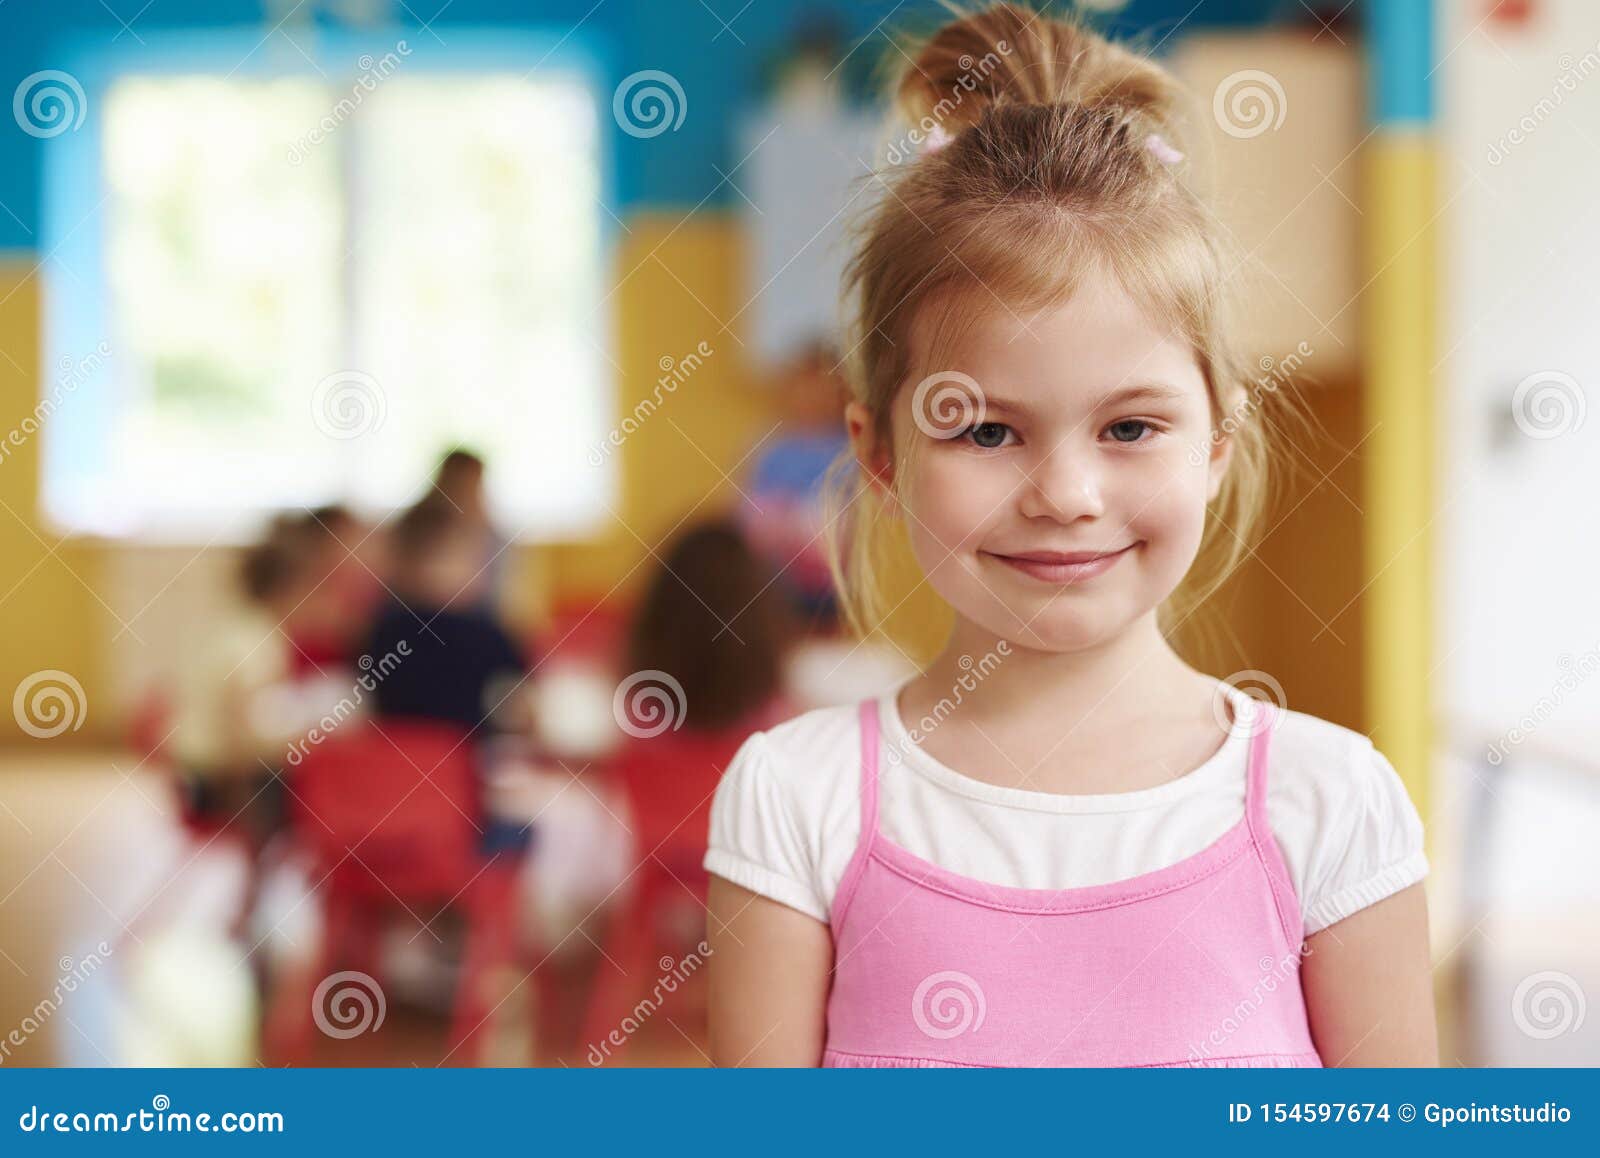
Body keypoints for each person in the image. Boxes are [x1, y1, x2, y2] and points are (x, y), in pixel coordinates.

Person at [703, 3, 1435, 1068]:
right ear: (879, 454)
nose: (1065, 494)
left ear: (1218, 441)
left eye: (1129, 427)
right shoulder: (793, 801)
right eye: (985, 429)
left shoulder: (1331, 803)